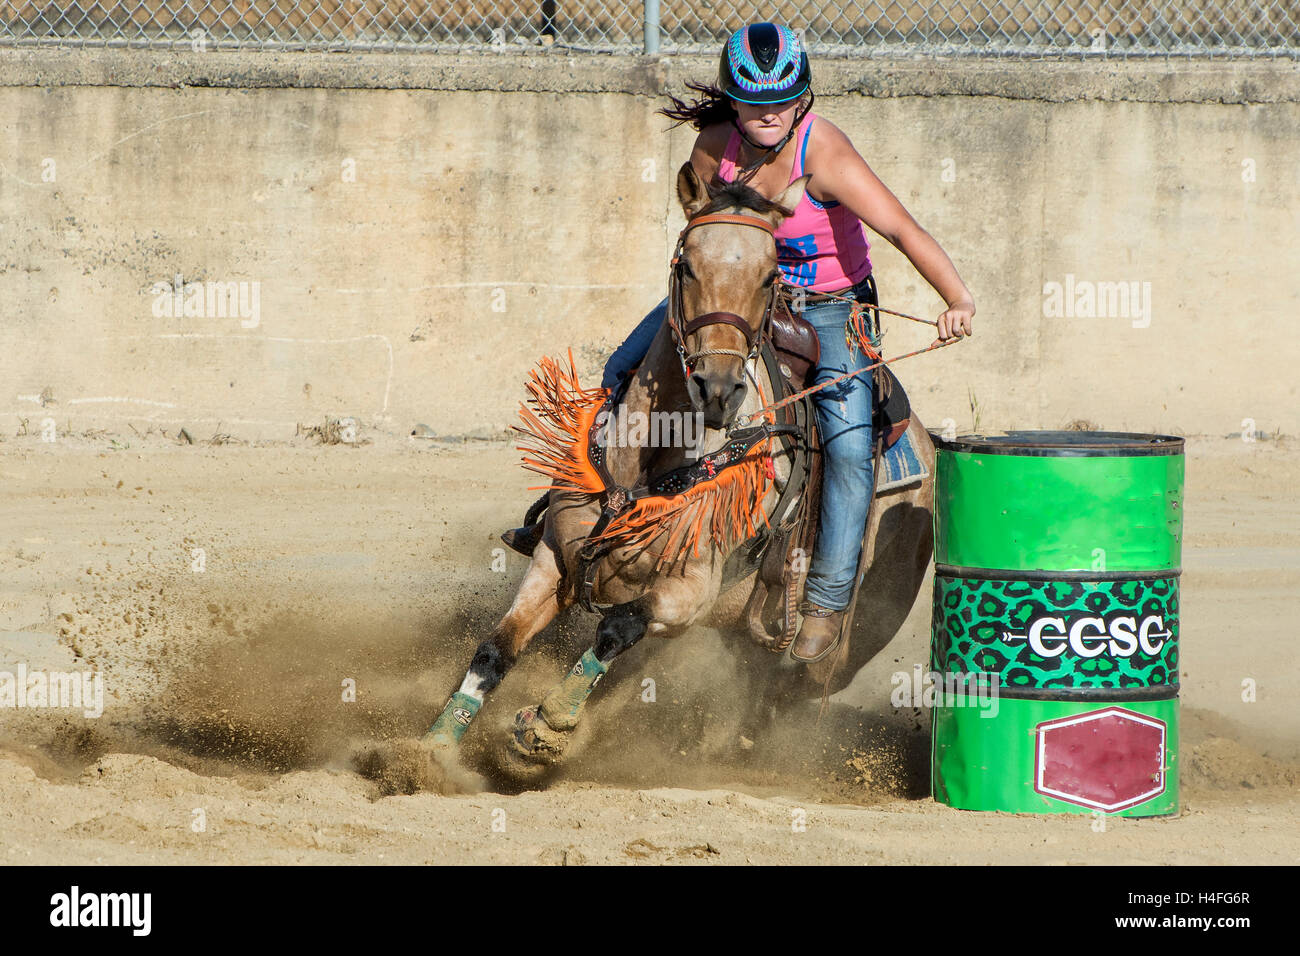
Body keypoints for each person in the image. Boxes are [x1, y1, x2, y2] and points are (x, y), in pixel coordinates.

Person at [510, 21, 975, 664]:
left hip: (831, 310)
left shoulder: (826, 153)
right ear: (734, 99)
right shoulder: (710, 148)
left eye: (783, 100)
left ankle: (827, 600)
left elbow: (900, 227)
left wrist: (958, 298)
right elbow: (704, 237)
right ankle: (570, 513)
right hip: (735, 296)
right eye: (755, 101)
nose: (770, 114)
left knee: (844, 439)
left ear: (801, 97)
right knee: (621, 370)